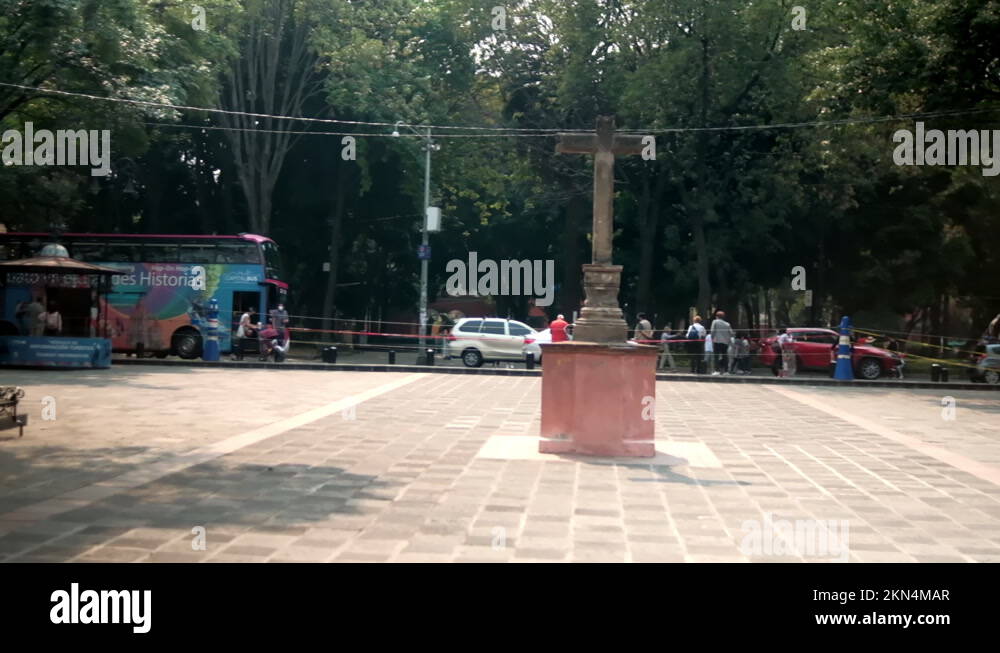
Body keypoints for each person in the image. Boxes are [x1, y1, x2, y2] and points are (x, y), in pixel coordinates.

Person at [710, 310, 733, 375]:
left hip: (716, 341)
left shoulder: (715, 322)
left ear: (717, 316)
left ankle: (717, 371)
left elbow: (712, 331)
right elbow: (731, 333)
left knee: (716, 356)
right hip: (725, 342)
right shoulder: (727, 324)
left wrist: (712, 339)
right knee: (725, 356)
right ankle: (726, 371)